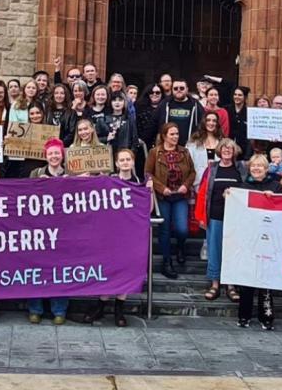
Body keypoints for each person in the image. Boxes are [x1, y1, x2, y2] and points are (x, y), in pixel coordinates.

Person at [79, 148, 140, 327]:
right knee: (107, 269)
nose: (125, 162)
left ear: (133, 162)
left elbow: (147, 207)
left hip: (130, 234)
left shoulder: (139, 182)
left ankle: (119, 308)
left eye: (128, 159)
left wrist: (149, 191)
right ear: (116, 163)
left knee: (125, 269)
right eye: (122, 160)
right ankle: (101, 305)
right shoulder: (109, 180)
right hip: (110, 233)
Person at [236, 154, 282, 329]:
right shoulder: (242, 187)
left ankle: (266, 317)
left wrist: (274, 199)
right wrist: (230, 195)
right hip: (249, 239)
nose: (256, 169)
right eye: (253, 166)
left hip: (269, 241)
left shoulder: (276, 187)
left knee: (266, 282)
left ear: (266, 169)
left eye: (260, 166)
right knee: (247, 280)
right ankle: (244, 316)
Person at [194, 139, 246, 301]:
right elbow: (203, 192)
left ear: (234, 151)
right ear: (219, 150)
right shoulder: (212, 169)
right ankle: (215, 283)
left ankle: (231, 285)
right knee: (214, 250)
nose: (227, 151)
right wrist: (201, 216)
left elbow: (248, 189)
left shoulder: (241, 169)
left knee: (232, 251)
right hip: (215, 215)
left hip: (236, 218)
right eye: (224, 148)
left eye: (230, 148)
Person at [28, 139, 70, 324]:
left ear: (62, 155)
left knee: (60, 269)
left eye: (57, 153)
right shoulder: (35, 173)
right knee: (36, 268)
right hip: (39, 229)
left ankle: (59, 310)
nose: (54, 156)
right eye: (50, 153)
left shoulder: (71, 174)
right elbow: (24, 198)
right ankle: (35, 309)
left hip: (64, 231)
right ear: (45, 156)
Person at [146, 123, 195, 280]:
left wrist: (186, 185)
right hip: (164, 197)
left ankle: (181, 247)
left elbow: (193, 172)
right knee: (165, 229)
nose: (175, 137)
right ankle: (167, 262)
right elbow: (148, 173)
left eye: (177, 134)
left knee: (182, 229)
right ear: (164, 136)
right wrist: (161, 188)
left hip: (180, 195)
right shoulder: (155, 152)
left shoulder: (184, 152)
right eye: (172, 134)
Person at [155, 79, 203, 146]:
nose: (178, 90)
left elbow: (202, 124)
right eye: (175, 88)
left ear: (187, 89)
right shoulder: (164, 104)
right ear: (172, 90)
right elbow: (154, 122)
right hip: (167, 146)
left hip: (189, 146)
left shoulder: (196, 104)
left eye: (182, 88)